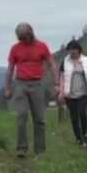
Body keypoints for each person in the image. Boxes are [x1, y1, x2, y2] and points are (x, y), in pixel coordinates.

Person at [4, 22, 58, 158]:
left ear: (31, 34)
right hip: (21, 84)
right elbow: (10, 68)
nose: (22, 41)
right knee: (21, 115)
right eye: (19, 38)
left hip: (37, 84)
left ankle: (40, 149)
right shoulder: (15, 49)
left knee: (39, 118)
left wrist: (56, 83)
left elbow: (52, 65)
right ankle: (21, 148)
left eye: (24, 38)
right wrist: (8, 87)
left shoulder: (42, 46)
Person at [56, 40, 87, 146]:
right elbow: (61, 77)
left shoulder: (86, 61)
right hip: (69, 94)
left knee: (83, 113)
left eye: (74, 50)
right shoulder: (65, 62)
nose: (72, 52)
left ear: (78, 50)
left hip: (83, 92)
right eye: (70, 50)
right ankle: (78, 138)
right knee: (74, 116)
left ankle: (85, 134)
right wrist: (61, 91)